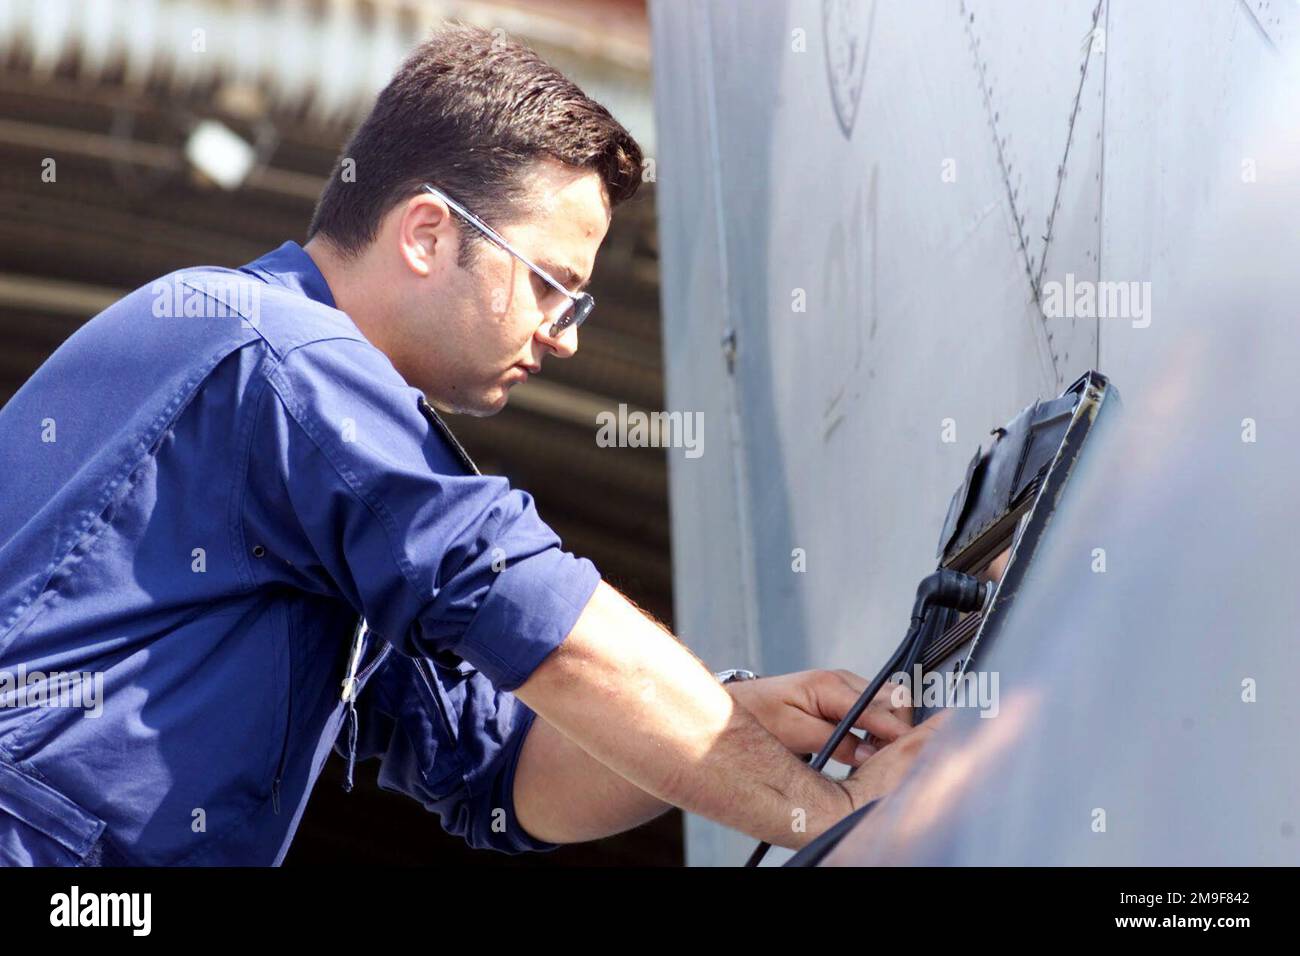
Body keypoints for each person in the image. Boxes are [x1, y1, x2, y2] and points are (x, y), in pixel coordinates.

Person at [0, 23, 941, 866]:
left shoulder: (302, 471)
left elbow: (495, 770)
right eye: (550, 285)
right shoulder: (275, 355)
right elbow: (527, 607)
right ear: (426, 233)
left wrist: (732, 718)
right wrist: (836, 814)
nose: (565, 335)